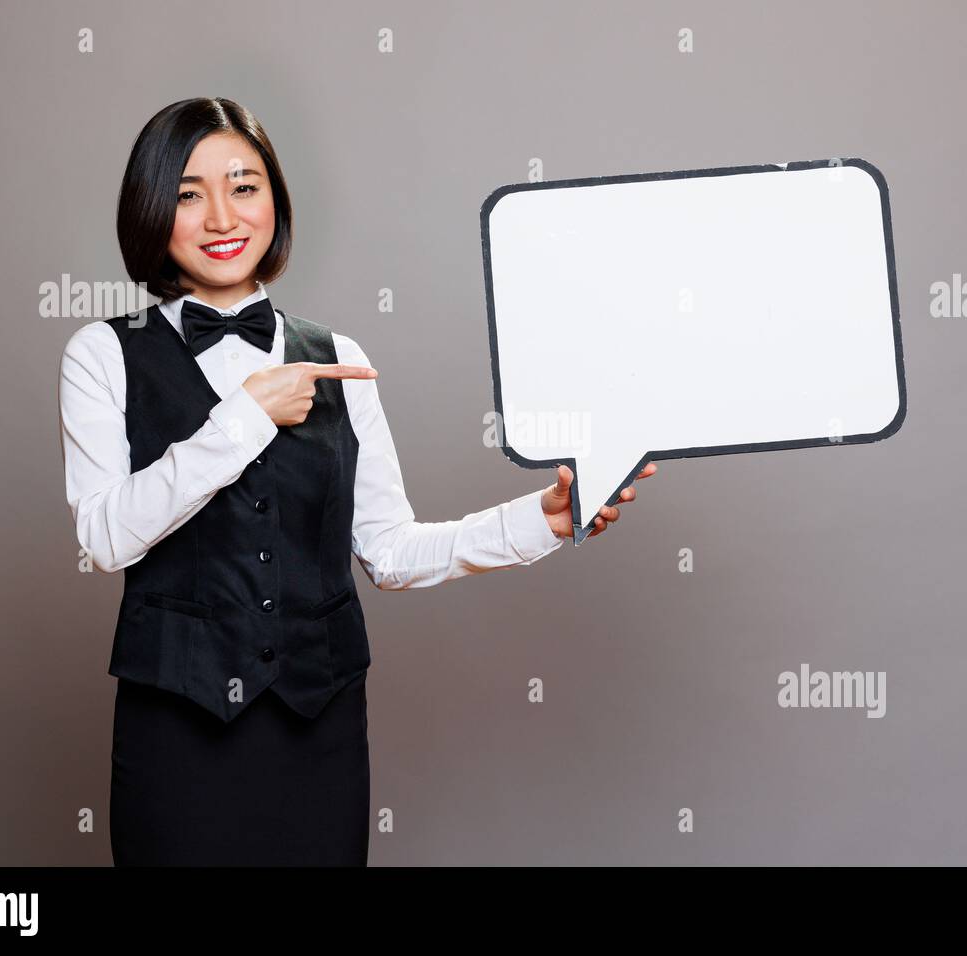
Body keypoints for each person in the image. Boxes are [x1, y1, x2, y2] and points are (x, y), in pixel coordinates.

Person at [57, 97, 656, 866]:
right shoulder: (102, 354)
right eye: (186, 193)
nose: (219, 215)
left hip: (318, 726)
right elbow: (105, 537)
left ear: (274, 197)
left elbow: (390, 551)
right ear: (151, 208)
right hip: (177, 731)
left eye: (243, 186)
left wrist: (543, 517)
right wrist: (241, 421)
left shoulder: (338, 354)